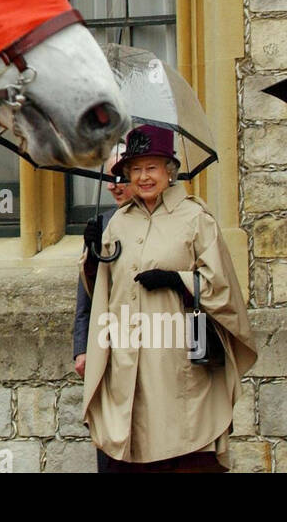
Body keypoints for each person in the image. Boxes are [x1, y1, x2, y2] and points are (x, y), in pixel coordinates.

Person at [81, 125, 257, 472]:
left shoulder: (195, 218)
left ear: (169, 171)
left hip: (179, 368)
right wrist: (91, 256)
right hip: (128, 368)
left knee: (186, 454)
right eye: (135, 170)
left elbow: (223, 288)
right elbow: (103, 292)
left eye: (152, 168)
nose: (143, 177)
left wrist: (178, 280)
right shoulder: (117, 224)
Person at [73, 147, 133, 474]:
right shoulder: (99, 224)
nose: (114, 185)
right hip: (107, 346)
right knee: (108, 435)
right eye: (108, 178)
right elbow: (86, 298)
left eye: (121, 177)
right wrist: (81, 349)